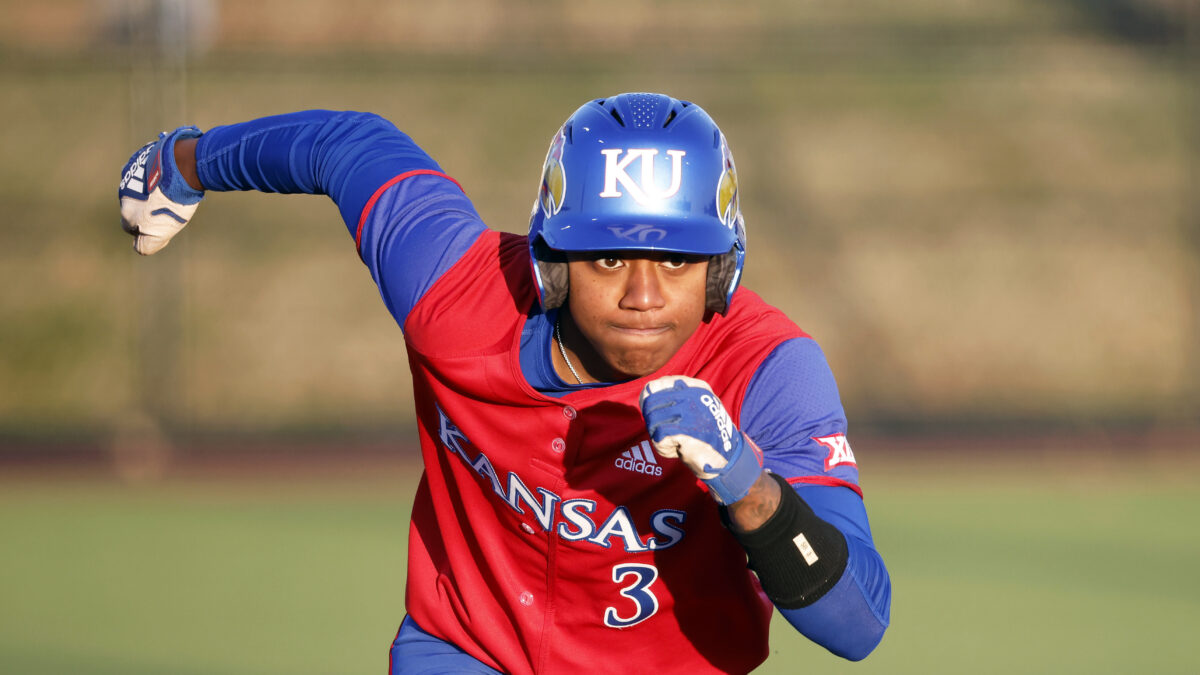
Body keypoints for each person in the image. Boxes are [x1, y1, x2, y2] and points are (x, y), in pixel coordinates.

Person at [118, 93, 891, 674]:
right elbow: (345, 144)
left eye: (678, 260)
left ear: (723, 267)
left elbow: (858, 623)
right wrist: (184, 160)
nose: (644, 295)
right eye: (608, 257)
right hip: (465, 650)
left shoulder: (767, 371)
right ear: (551, 261)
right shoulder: (459, 295)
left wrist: (748, 487)